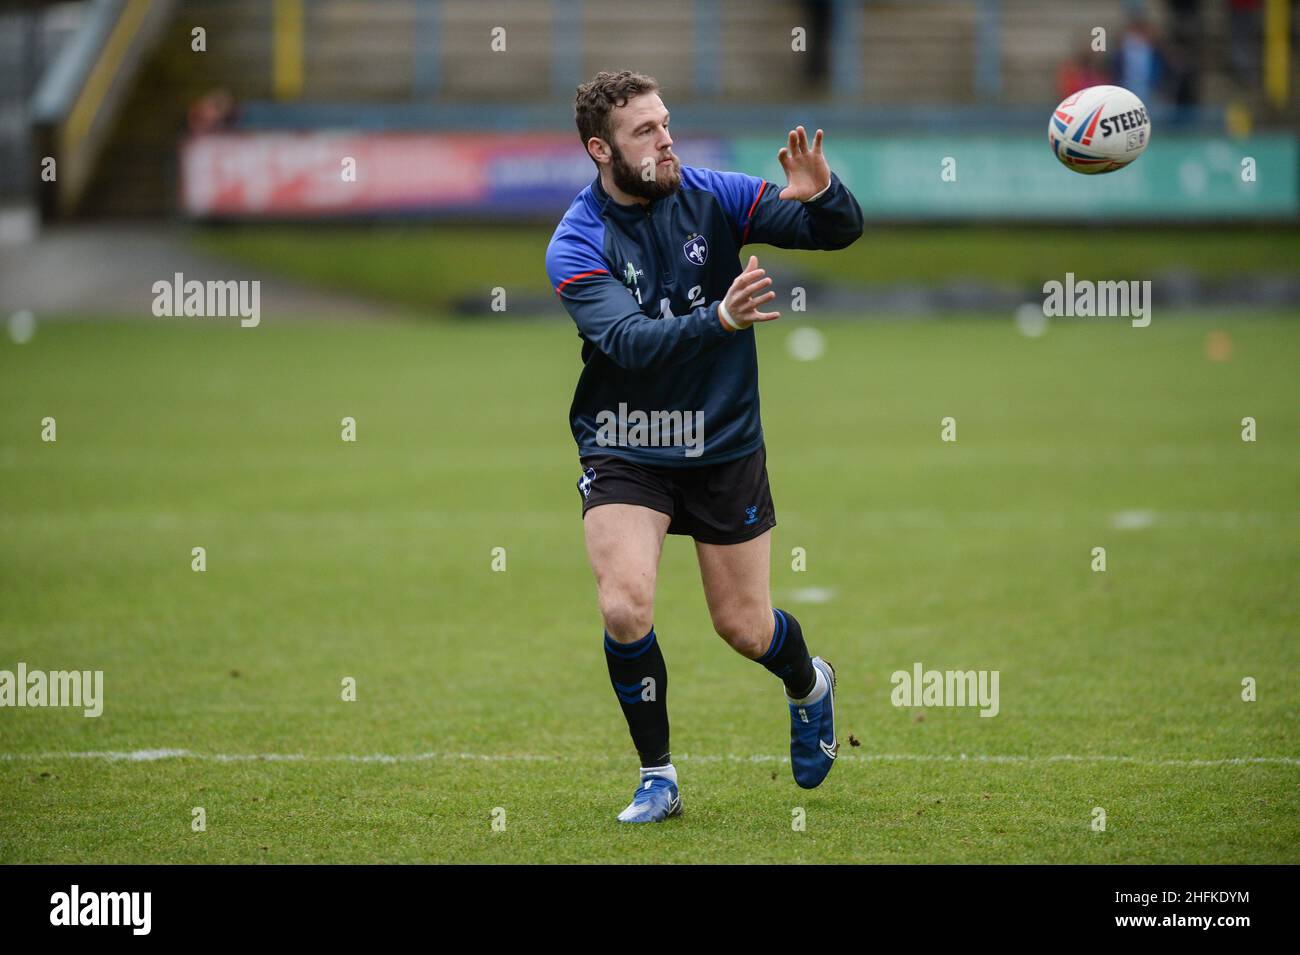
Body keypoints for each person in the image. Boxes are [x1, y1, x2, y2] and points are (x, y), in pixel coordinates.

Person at [544, 71, 864, 822]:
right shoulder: (577, 241)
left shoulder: (714, 194)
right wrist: (717, 321)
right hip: (625, 439)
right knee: (625, 604)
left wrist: (824, 195)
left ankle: (809, 682)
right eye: (645, 132)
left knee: (744, 628)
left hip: (721, 441)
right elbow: (625, 341)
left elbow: (834, 232)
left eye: (665, 123)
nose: (665, 139)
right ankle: (658, 776)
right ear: (602, 150)